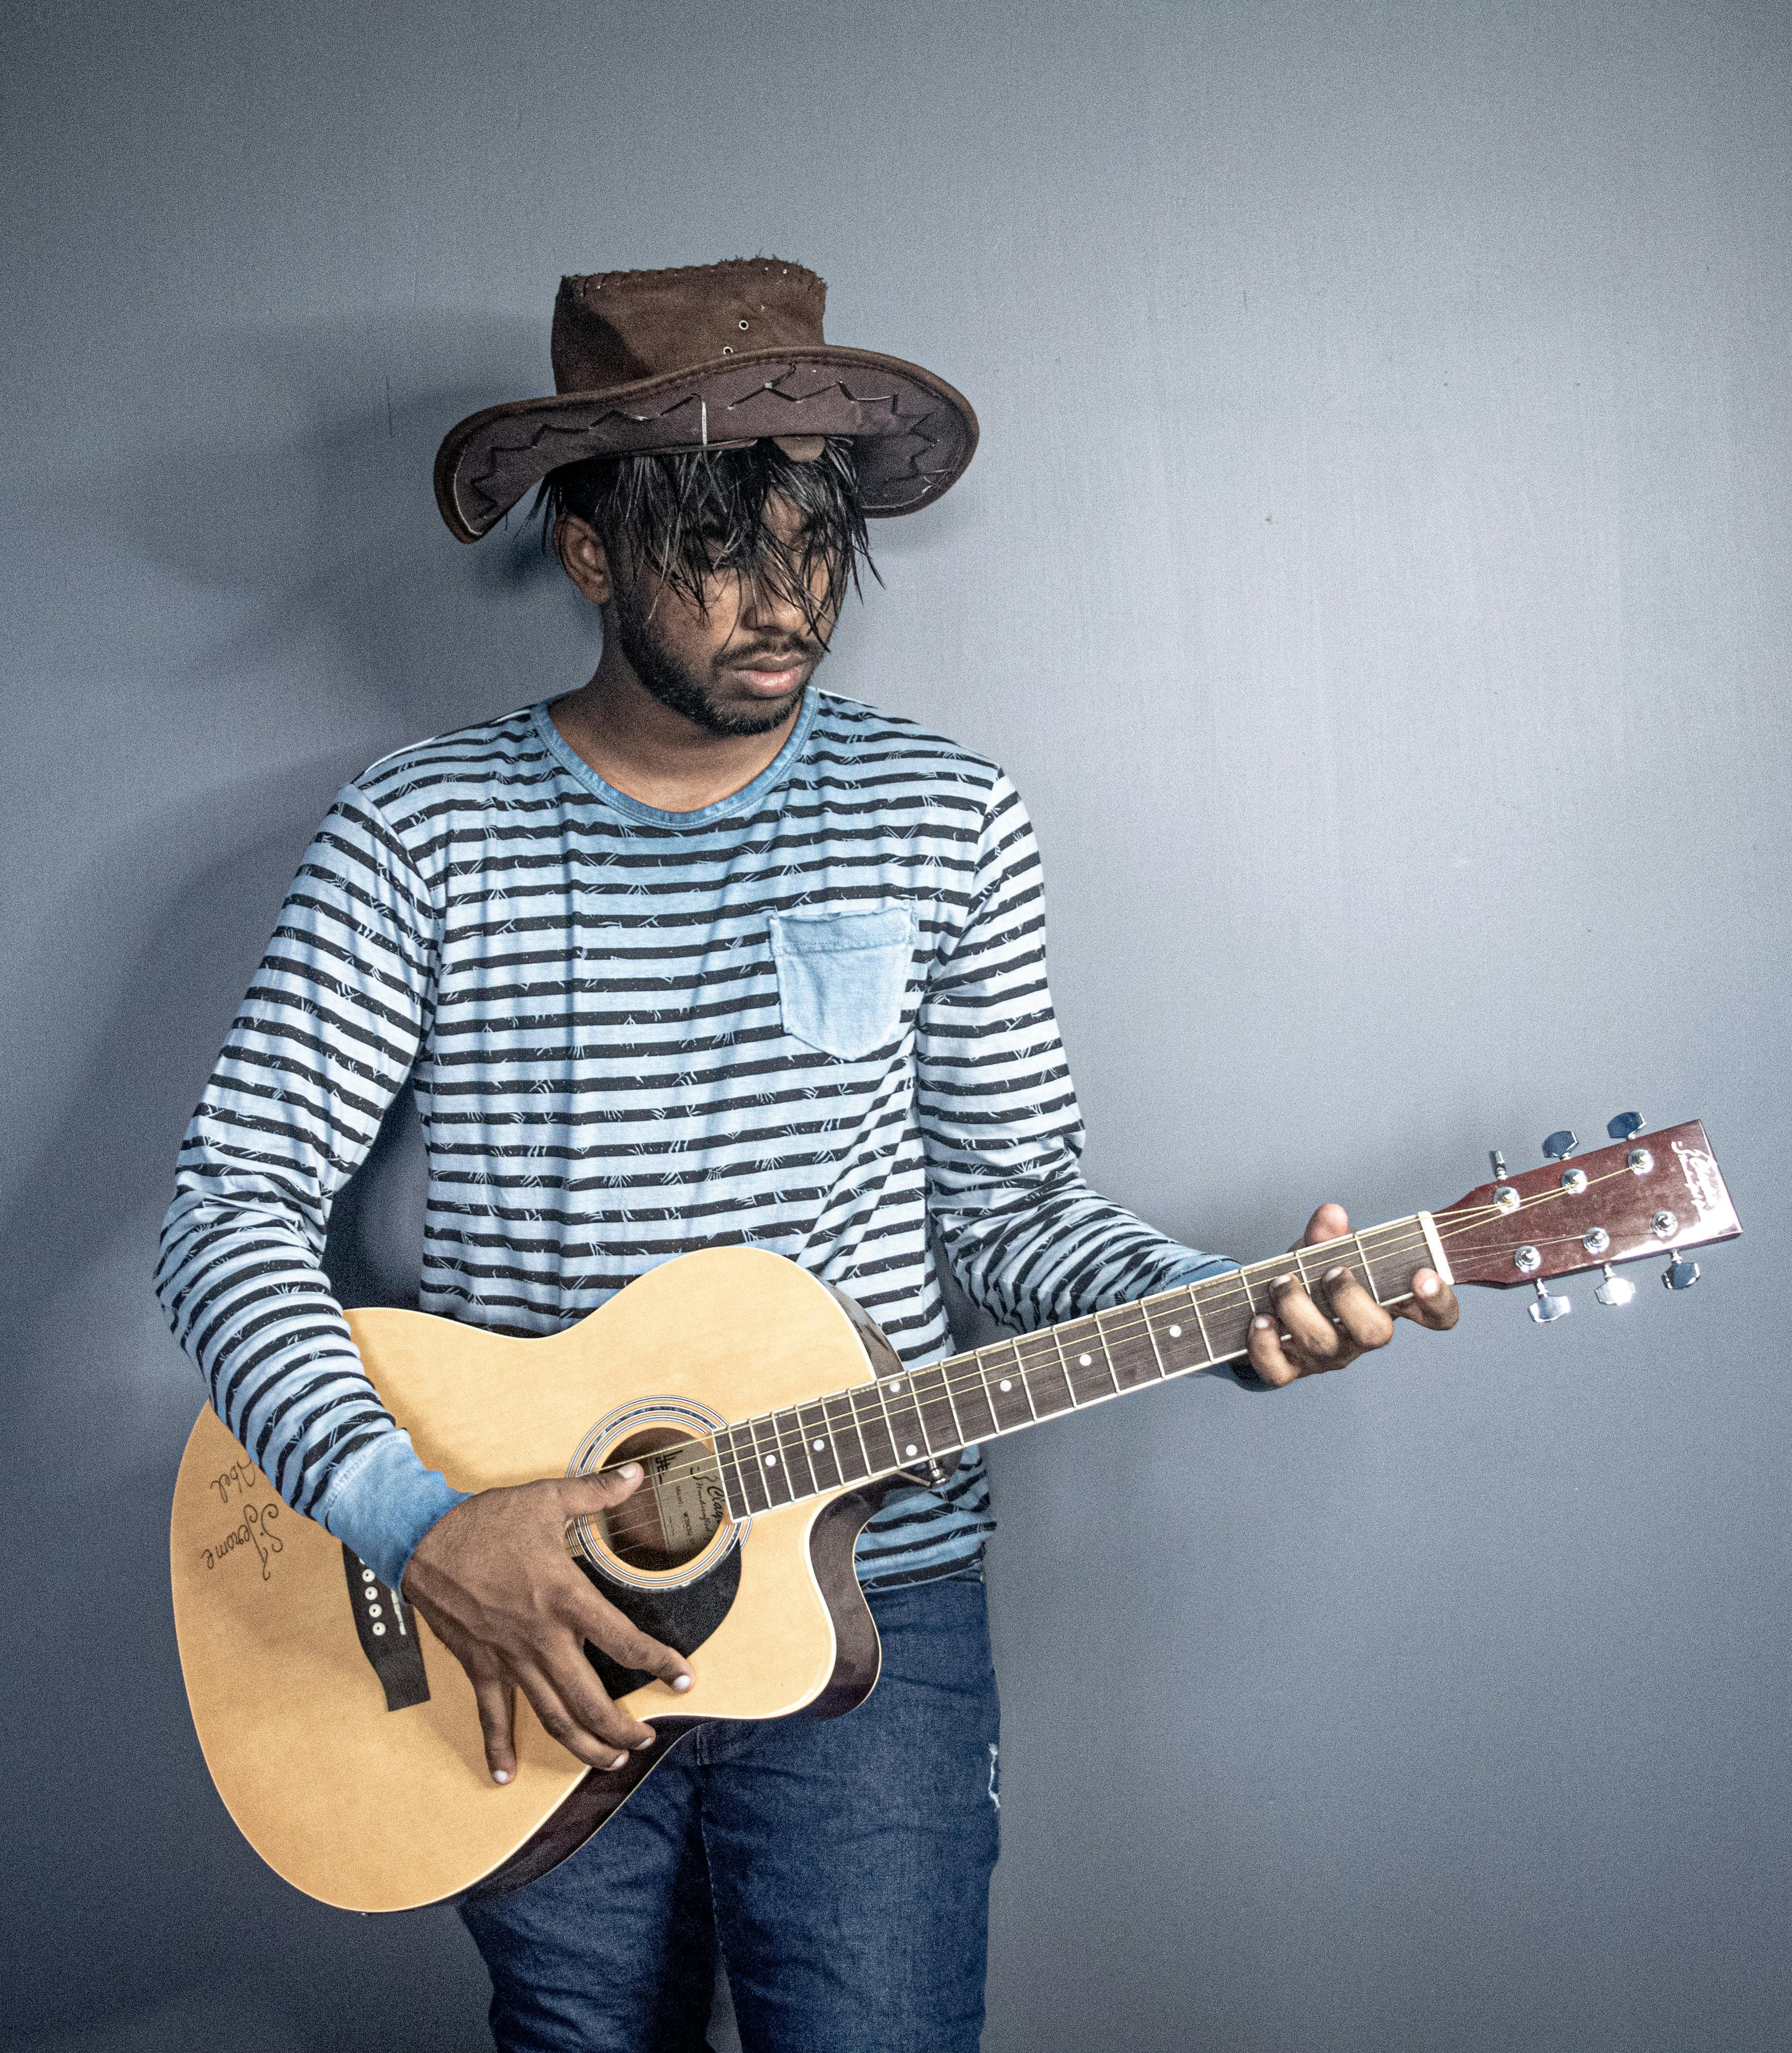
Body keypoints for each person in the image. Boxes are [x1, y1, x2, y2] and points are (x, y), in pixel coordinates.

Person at [156, 258, 1458, 2053]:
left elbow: (1011, 1211)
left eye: (815, 539)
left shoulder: (946, 813)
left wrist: (1221, 1306)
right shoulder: (419, 831)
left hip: (873, 1608)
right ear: (593, 552)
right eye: (716, 547)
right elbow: (227, 1210)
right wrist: (422, 1524)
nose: (788, 602)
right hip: (510, 1609)